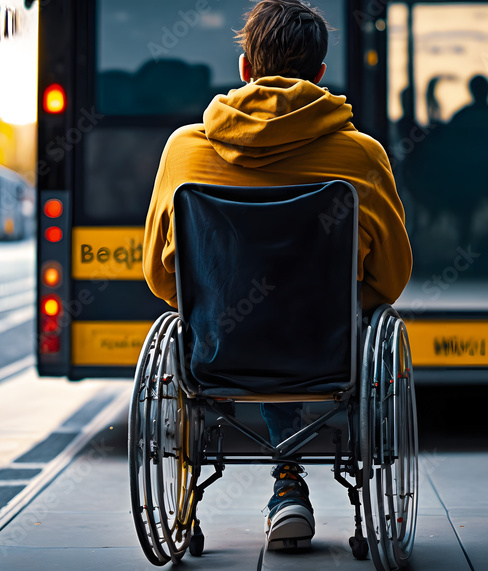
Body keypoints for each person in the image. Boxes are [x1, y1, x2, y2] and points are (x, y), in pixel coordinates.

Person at [141, 0, 412, 552]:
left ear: (245, 69)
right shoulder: (361, 156)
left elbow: (158, 274)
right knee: (295, 315)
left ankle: (234, 498)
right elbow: (392, 275)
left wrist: (218, 300)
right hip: (325, 348)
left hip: (218, 347)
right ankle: (292, 482)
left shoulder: (184, 151)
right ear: (319, 75)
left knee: (245, 316)